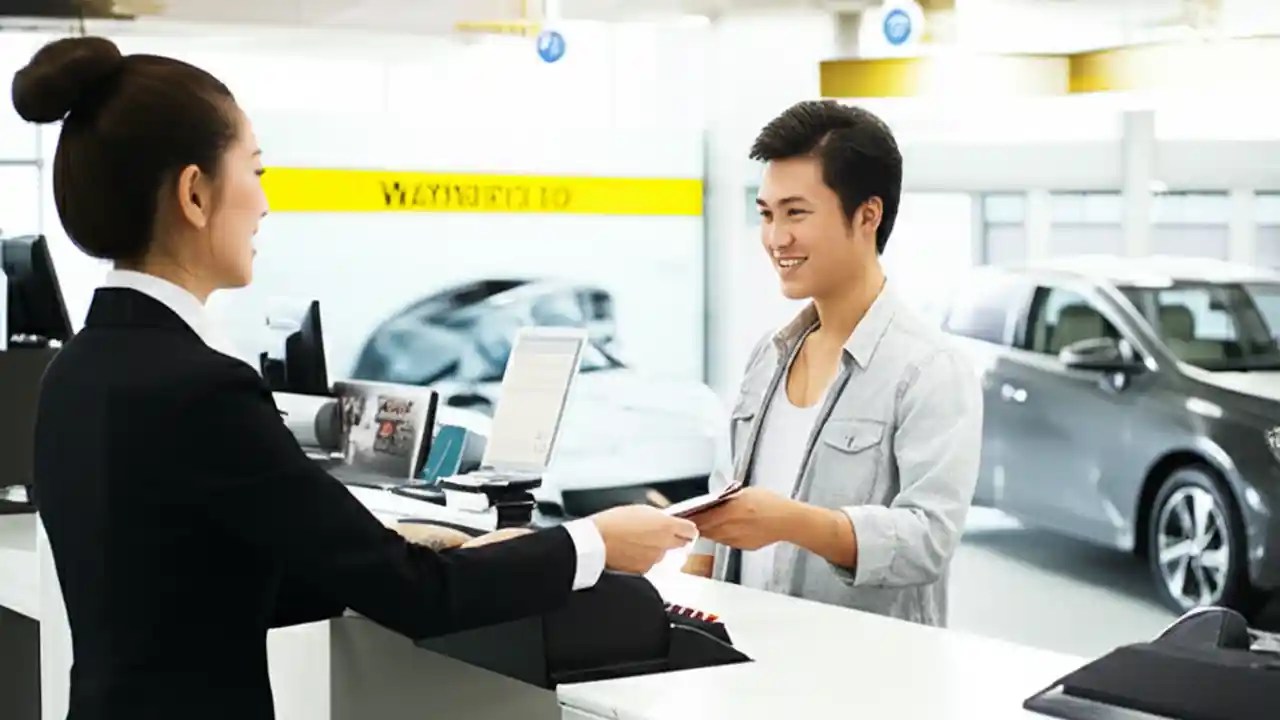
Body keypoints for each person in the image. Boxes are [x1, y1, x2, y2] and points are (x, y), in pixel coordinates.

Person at [12, 36, 696, 720]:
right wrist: (594, 541)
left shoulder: (75, 372)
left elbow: (203, 586)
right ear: (195, 193)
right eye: (255, 170)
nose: (265, 205)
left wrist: (427, 551)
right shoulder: (200, 389)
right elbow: (417, 596)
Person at [682, 100, 982, 627]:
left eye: (796, 213)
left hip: (861, 679)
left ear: (868, 215)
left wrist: (791, 522)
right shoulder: (769, 354)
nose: (777, 238)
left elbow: (928, 541)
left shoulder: (930, 368)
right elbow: (721, 502)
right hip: (741, 661)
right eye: (767, 214)